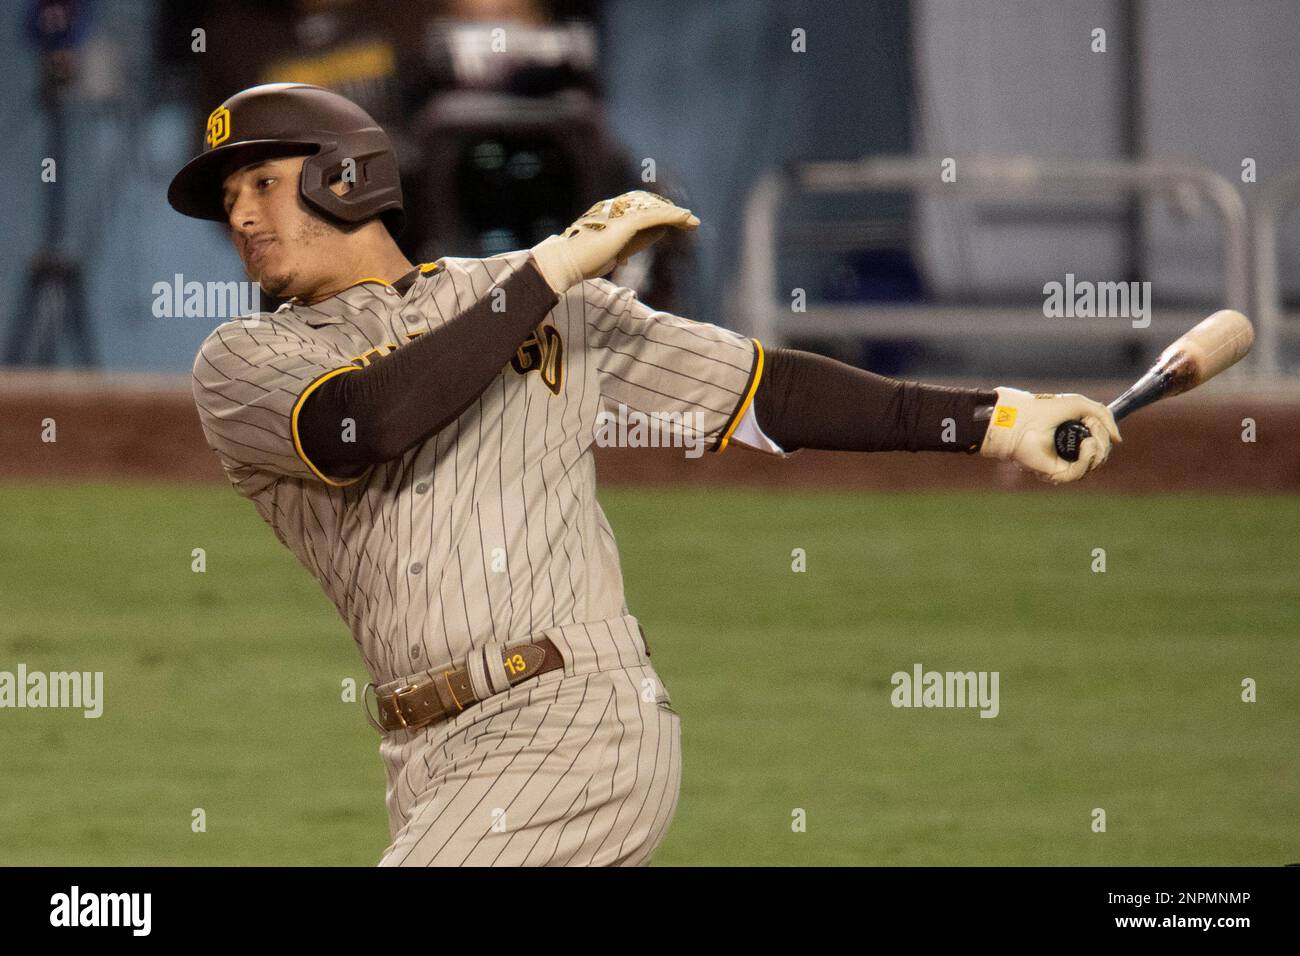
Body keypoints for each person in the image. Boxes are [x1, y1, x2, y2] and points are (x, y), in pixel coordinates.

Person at [170, 82, 1120, 866]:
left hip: (573, 717)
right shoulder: (243, 364)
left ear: (344, 177)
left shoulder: (545, 306)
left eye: (261, 180)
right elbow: (366, 420)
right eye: (228, 203)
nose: (242, 215)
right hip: (421, 755)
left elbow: (765, 391)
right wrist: (547, 270)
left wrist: (1001, 419)